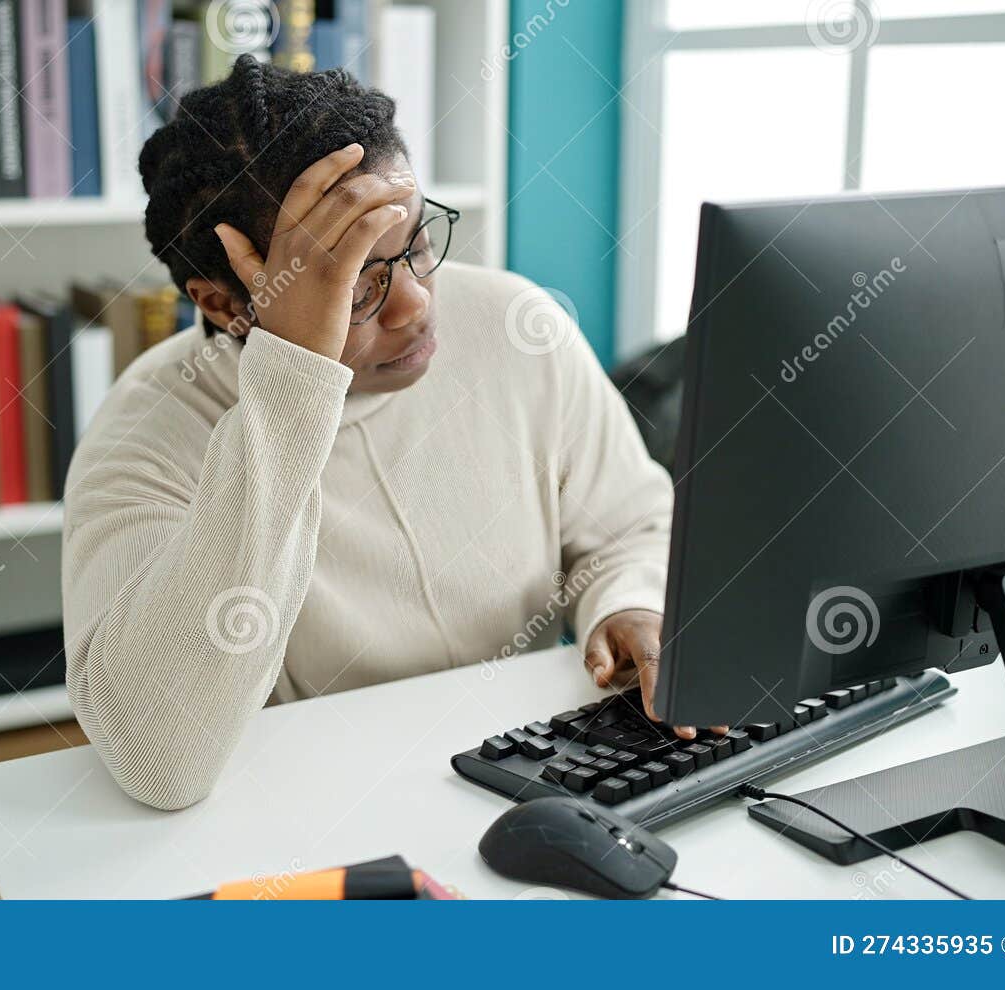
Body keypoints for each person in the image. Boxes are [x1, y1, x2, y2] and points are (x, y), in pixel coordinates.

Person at [63, 56, 701, 810]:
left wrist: (630, 603)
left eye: (418, 246)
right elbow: (158, 760)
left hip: (524, 783)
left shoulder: (514, 325)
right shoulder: (147, 433)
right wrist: (292, 381)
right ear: (223, 303)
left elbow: (625, 525)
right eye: (357, 285)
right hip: (316, 819)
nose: (415, 307)